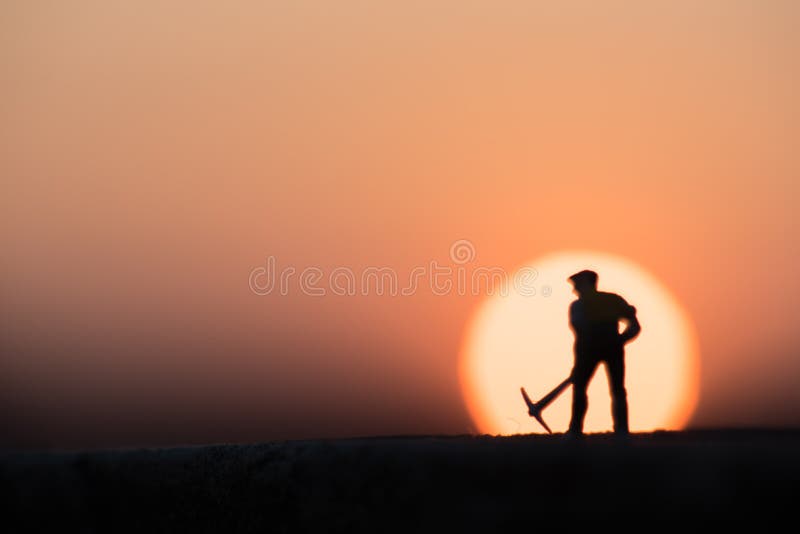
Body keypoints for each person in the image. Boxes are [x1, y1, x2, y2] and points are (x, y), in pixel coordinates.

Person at [566, 270, 641, 438]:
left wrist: (620, 340)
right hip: (605, 349)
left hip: (592, 351)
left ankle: (576, 431)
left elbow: (580, 331)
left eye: (577, 285)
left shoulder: (579, 306)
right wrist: (620, 339)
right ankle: (620, 432)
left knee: (582, 388)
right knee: (615, 390)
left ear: (586, 284)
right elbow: (635, 326)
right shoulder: (613, 301)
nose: (574, 290)